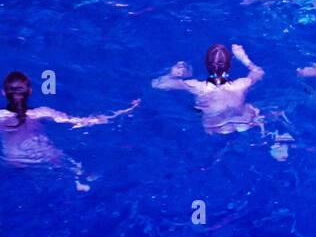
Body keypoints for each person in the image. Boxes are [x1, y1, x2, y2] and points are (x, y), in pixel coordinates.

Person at [1, 71, 138, 191]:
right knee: (74, 168)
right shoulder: (42, 112)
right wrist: (126, 110)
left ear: (3, 92)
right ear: (30, 91)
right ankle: (79, 182)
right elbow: (84, 122)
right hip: (40, 153)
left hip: (12, 158)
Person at [152, 42, 267, 135]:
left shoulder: (197, 87)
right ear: (229, 66)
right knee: (251, 108)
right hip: (243, 124)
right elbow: (258, 72)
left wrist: (175, 73)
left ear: (207, 66)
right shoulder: (241, 85)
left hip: (215, 128)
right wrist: (243, 57)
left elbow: (158, 84)